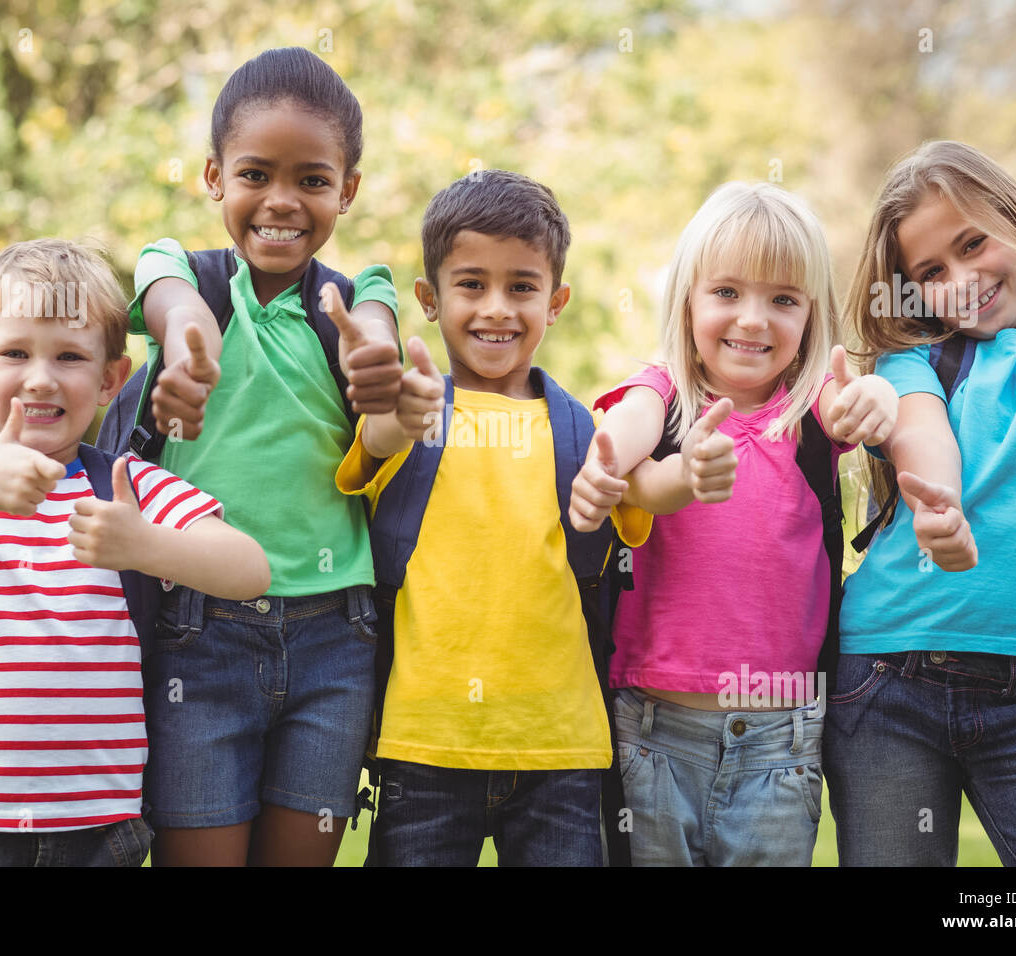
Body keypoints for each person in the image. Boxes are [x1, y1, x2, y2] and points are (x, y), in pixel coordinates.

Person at [0, 238, 269, 866]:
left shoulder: (127, 487)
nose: (41, 377)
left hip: (95, 826)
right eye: (14, 352)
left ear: (108, 380)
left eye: (69, 356)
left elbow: (249, 570)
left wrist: (146, 543)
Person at [570, 181, 897, 865]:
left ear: (812, 317)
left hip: (782, 742)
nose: (753, 319)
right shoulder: (661, 395)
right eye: (726, 293)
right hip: (654, 734)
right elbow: (624, 430)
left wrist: (876, 396)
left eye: (783, 300)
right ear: (687, 300)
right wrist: (605, 469)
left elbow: (859, 406)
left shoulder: (813, 411)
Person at [130, 47, 403, 866]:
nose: (281, 201)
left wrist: (375, 359)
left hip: (336, 640)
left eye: (313, 180)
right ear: (214, 177)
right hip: (197, 632)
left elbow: (381, 335)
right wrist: (186, 345)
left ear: (346, 191)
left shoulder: (355, 301)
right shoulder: (188, 277)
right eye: (256, 173)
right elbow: (161, 294)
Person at [829, 139, 1016, 865]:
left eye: (972, 244)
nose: (961, 279)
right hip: (886, 677)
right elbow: (922, 438)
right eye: (931, 272)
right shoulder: (913, 365)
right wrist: (940, 511)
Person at [337, 169, 643, 866]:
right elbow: (375, 443)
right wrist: (399, 417)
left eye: (523, 287)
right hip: (423, 749)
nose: (497, 308)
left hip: (562, 751)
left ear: (556, 301)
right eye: (471, 284)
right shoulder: (410, 417)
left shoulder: (584, 432)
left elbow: (637, 507)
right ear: (429, 298)